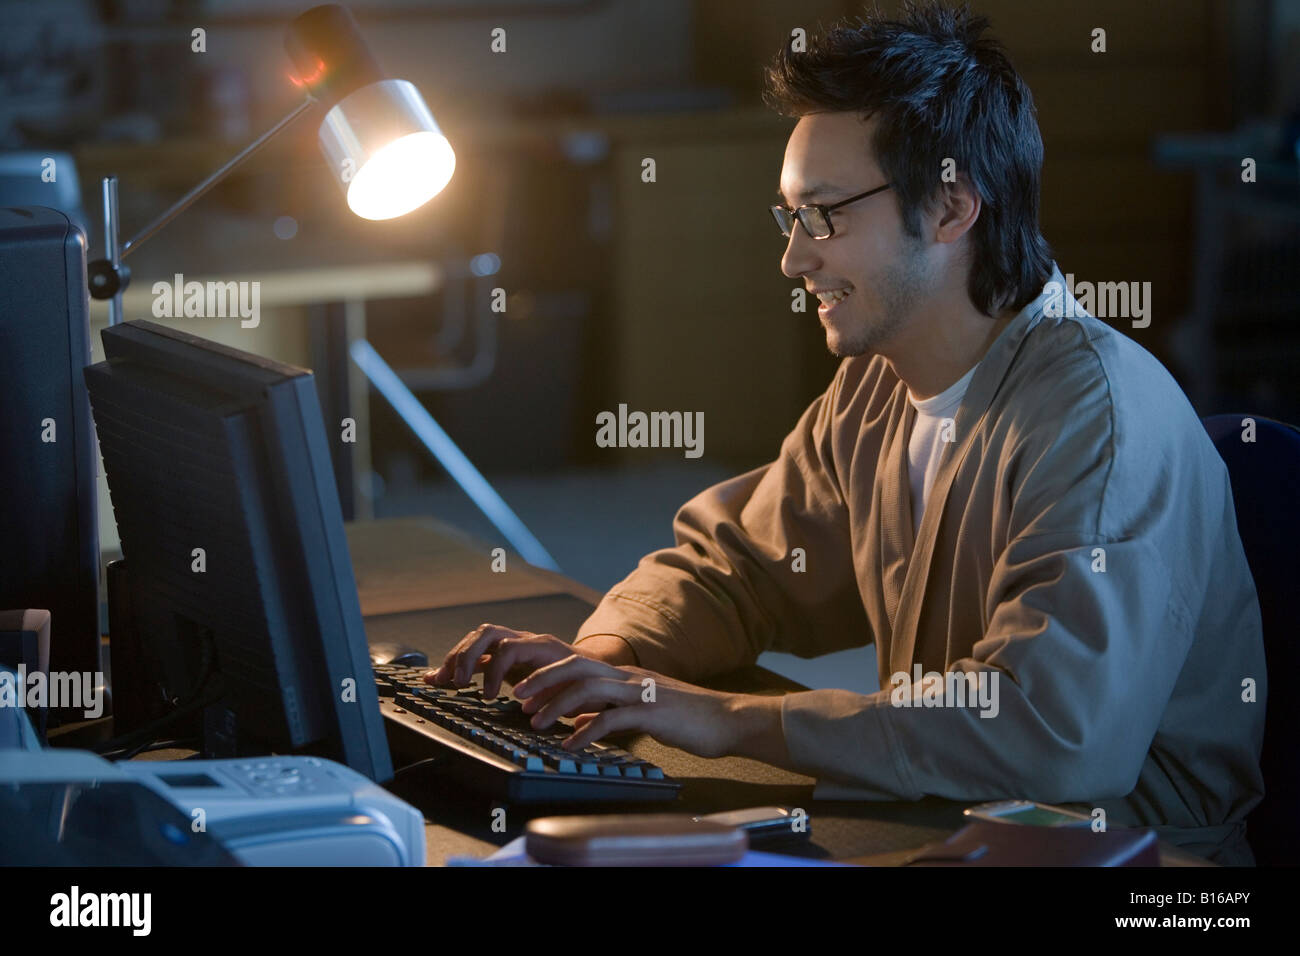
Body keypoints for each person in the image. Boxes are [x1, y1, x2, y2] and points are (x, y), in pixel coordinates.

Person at [429, 1, 1266, 865]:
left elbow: (1051, 735)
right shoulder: (880, 381)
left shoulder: (1098, 419)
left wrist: (719, 718)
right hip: (960, 821)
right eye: (788, 217)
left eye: (823, 215)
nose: (795, 259)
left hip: (1147, 870)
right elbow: (740, 573)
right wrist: (597, 664)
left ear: (950, 207)